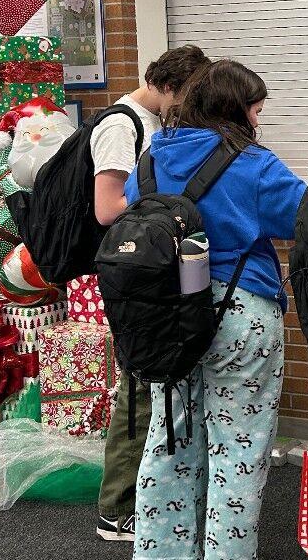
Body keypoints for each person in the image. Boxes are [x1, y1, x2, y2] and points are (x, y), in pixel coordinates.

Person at [126, 59, 305, 559]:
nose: (258, 120)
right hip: (239, 314)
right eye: (256, 109)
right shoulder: (253, 163)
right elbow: (304, 217)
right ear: (237, 109)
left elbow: (131, 214)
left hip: (166, 318)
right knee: (238, 451)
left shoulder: (151, 158)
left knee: (169, 443)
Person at [94, 44, 211, 542]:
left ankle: (134, 501)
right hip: (133, 278)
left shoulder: (150, 124)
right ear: (168, 86)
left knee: (146, 390)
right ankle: (116, 510)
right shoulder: (125, 126)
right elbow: (106, 208)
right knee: (137, 393)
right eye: (186, 94)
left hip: (147, 276)